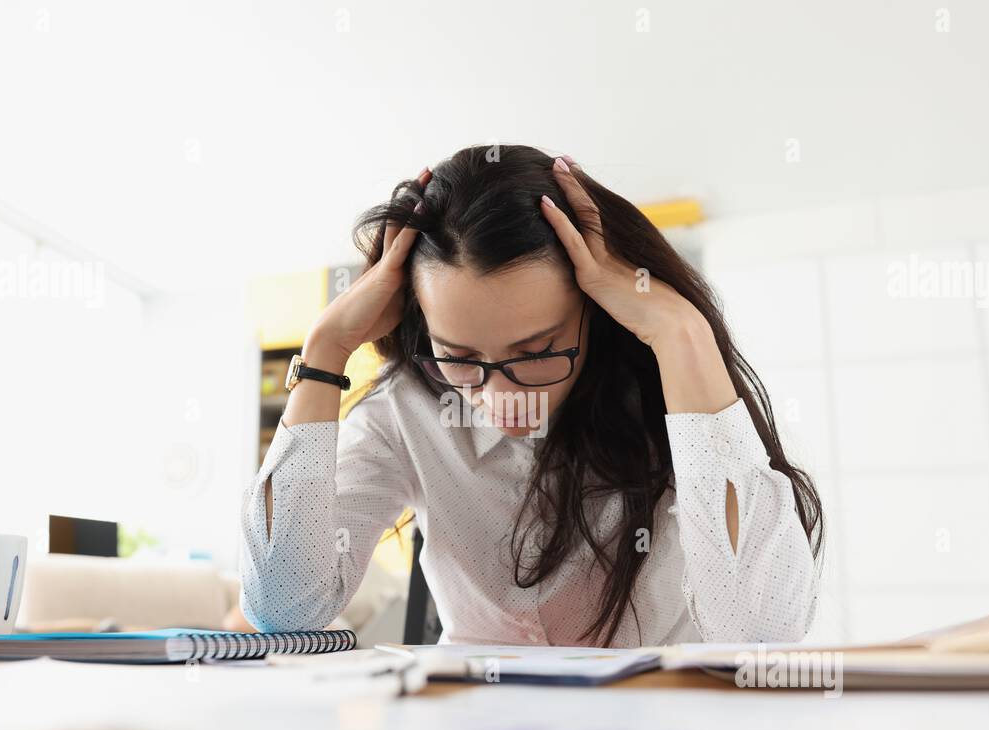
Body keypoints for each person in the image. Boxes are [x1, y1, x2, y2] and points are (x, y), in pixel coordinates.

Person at [238, 144, 824, 647]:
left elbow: (761, 633)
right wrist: (324, 352)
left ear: (595, 312)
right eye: (460, 358)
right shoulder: (406, 410)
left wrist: (681, 330)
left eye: (538, 351)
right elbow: (284, 612)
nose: (499, 395)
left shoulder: (676, 398)